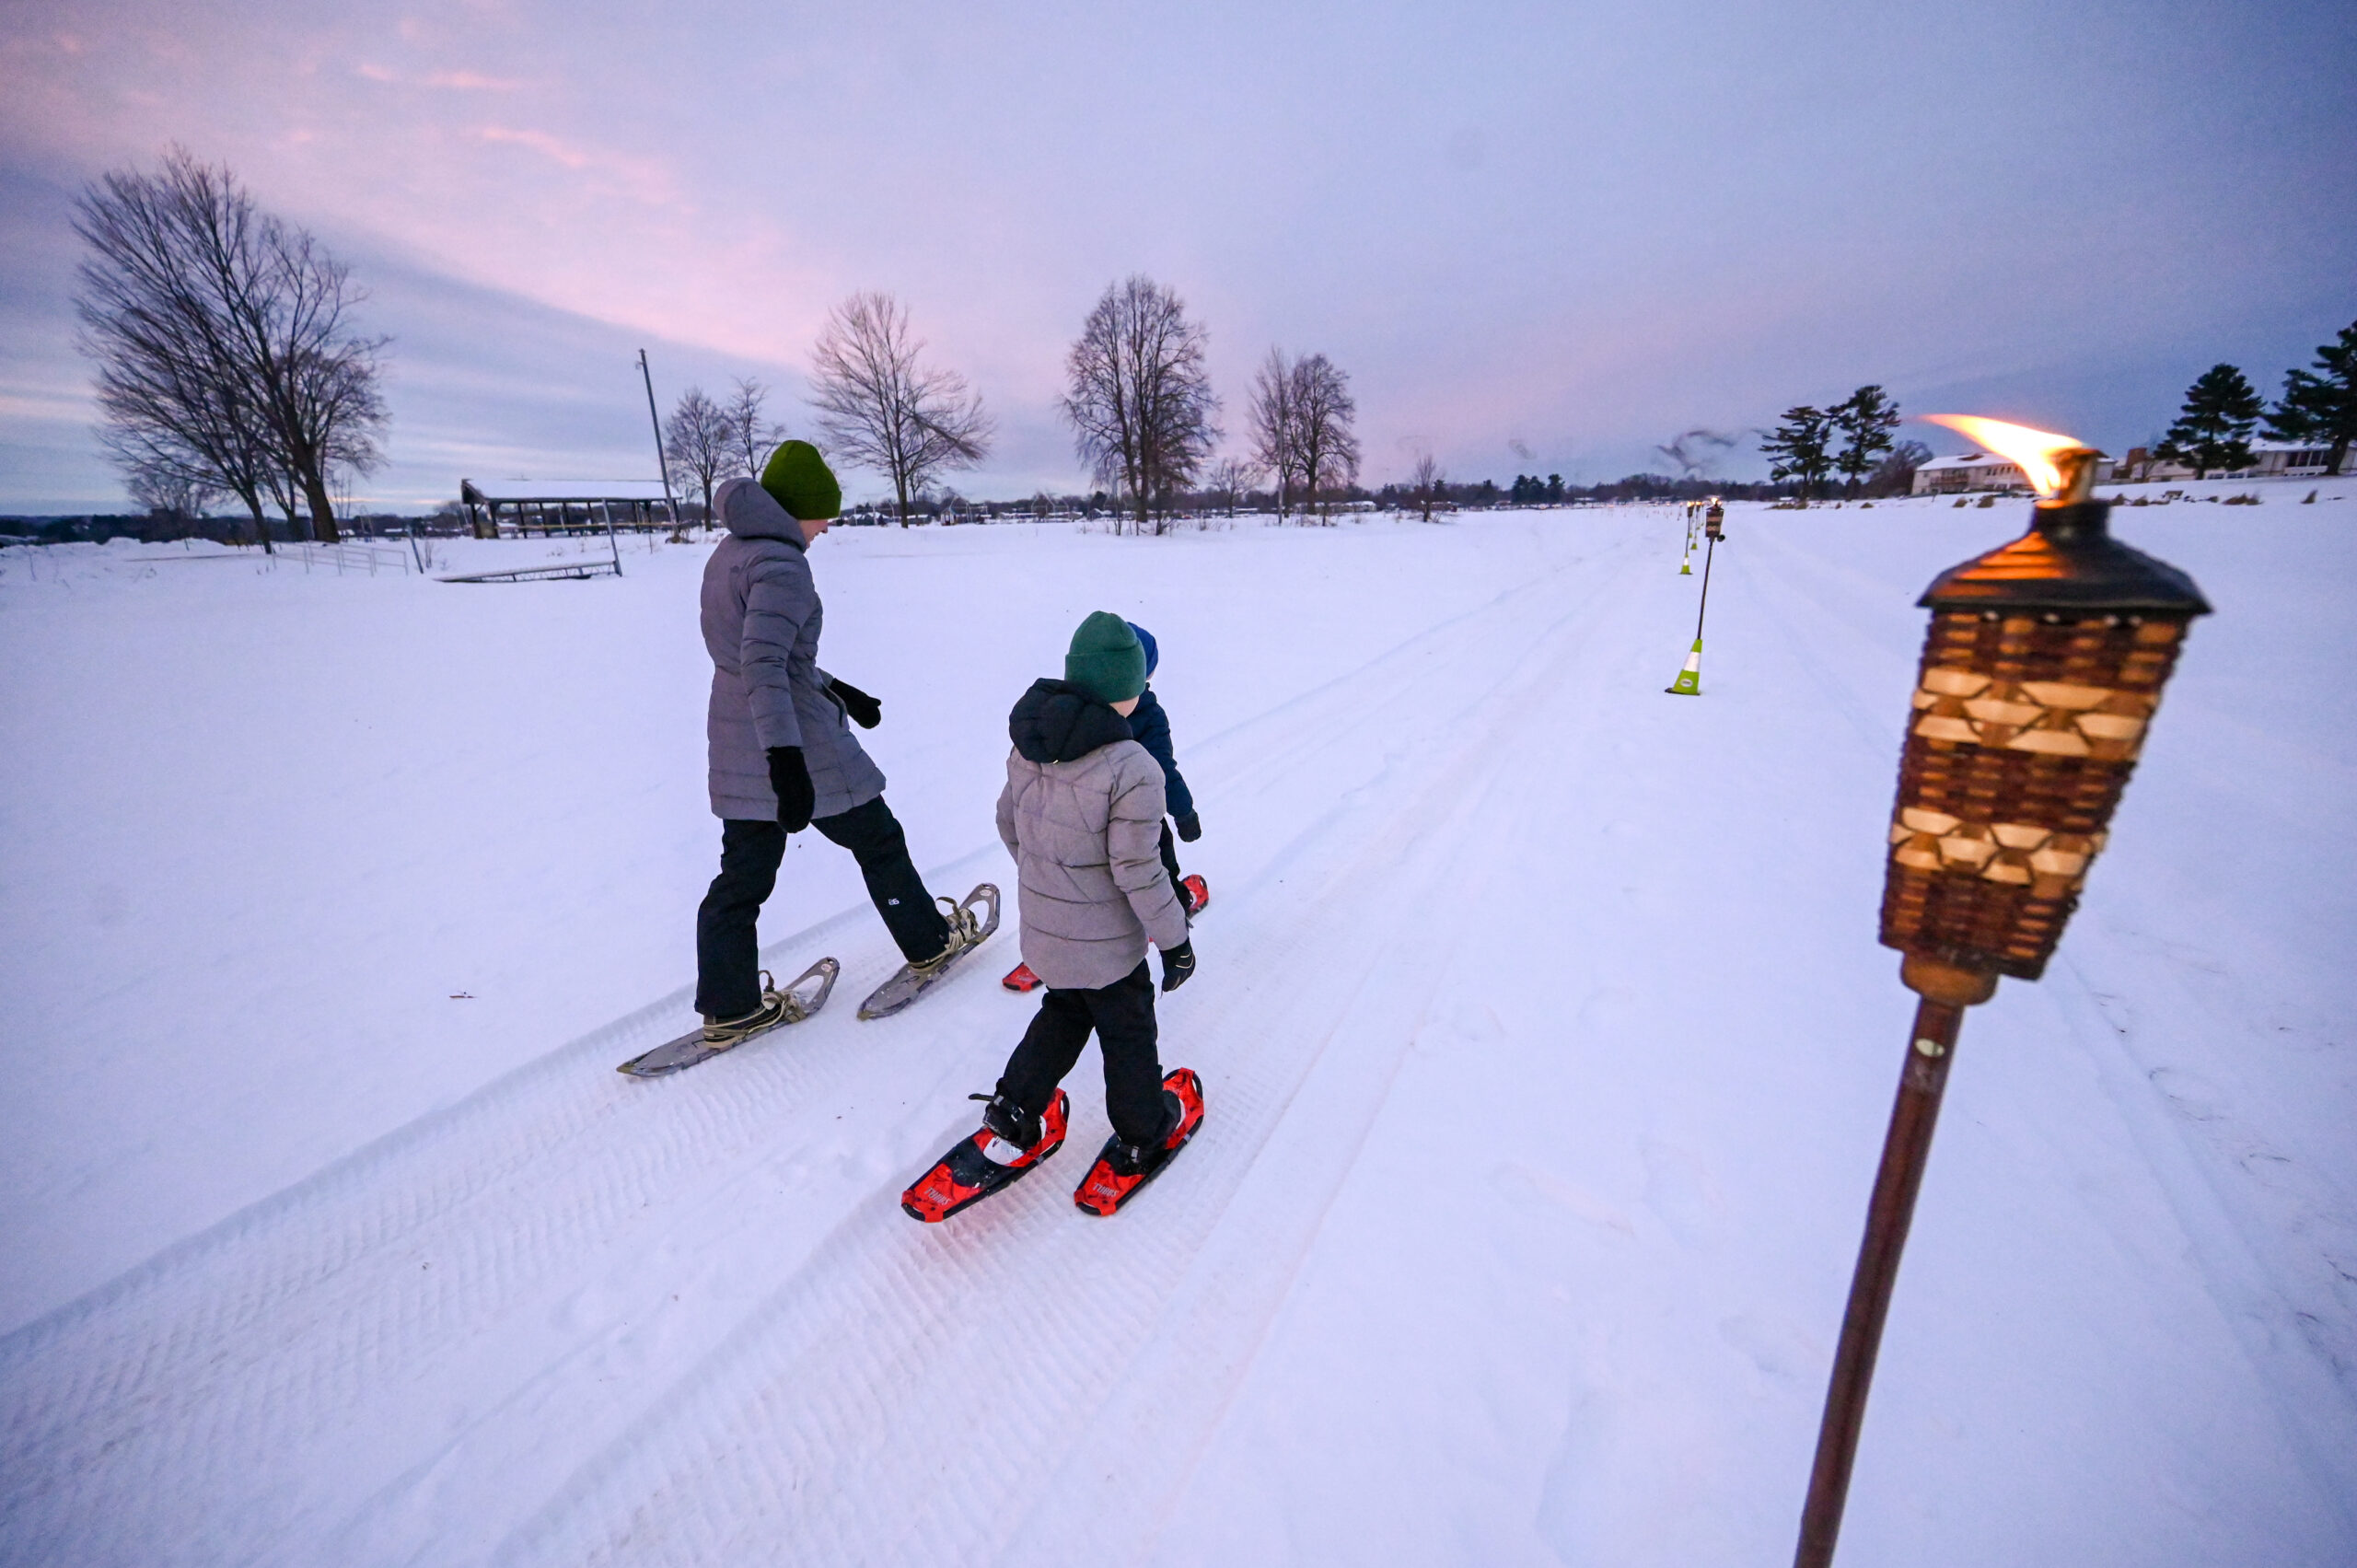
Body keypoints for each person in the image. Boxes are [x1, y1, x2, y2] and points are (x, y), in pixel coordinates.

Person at [901, 612, 1204, 1221]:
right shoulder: (1134, 768)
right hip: (1109, 947)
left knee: (1064, 1012)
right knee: (1126, 1028)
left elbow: (1008, 822)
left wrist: (1049, 878)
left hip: (1046, 934)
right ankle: (1144, 1128)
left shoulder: (1030, 743)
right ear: (1131, 689)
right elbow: (1138, 870)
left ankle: (1016, 1108)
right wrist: (1174, 942)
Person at [692, 440, 981, 1045]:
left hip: (735, 740)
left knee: (741, 879)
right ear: (798, 508)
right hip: (794, 741)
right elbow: (766, 664)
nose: (826, 527)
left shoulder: (730, 555)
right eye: (823, 513)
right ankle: (929, 942)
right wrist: (787, 761)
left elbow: (762, 657)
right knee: (879, 838)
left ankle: (730, 1004)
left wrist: (841, 689)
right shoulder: (782, 565)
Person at [1000, 618, 1203, 993]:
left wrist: (1051, 872)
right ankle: (1167, 919)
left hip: (1115, 822)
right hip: (1123, 821)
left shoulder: (1053, 722)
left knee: (1152, 865)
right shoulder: (1119, 725)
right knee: (1150, 867)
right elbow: (1163, 774)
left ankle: (1165, 913)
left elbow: (1008, 818)